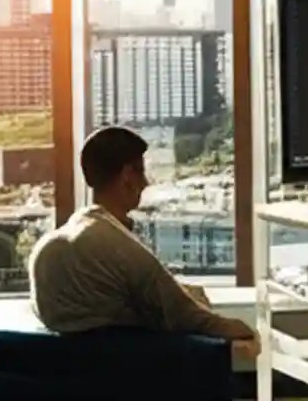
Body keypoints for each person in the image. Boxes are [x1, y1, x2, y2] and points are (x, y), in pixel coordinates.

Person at [29, 126, 257, 355]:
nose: (146, 183)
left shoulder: (48, 249)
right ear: (128, 177)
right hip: (127, 372)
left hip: (72, 376)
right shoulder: (115, 245)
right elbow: (185, 314)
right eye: (142, 173)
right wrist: (248, 332)